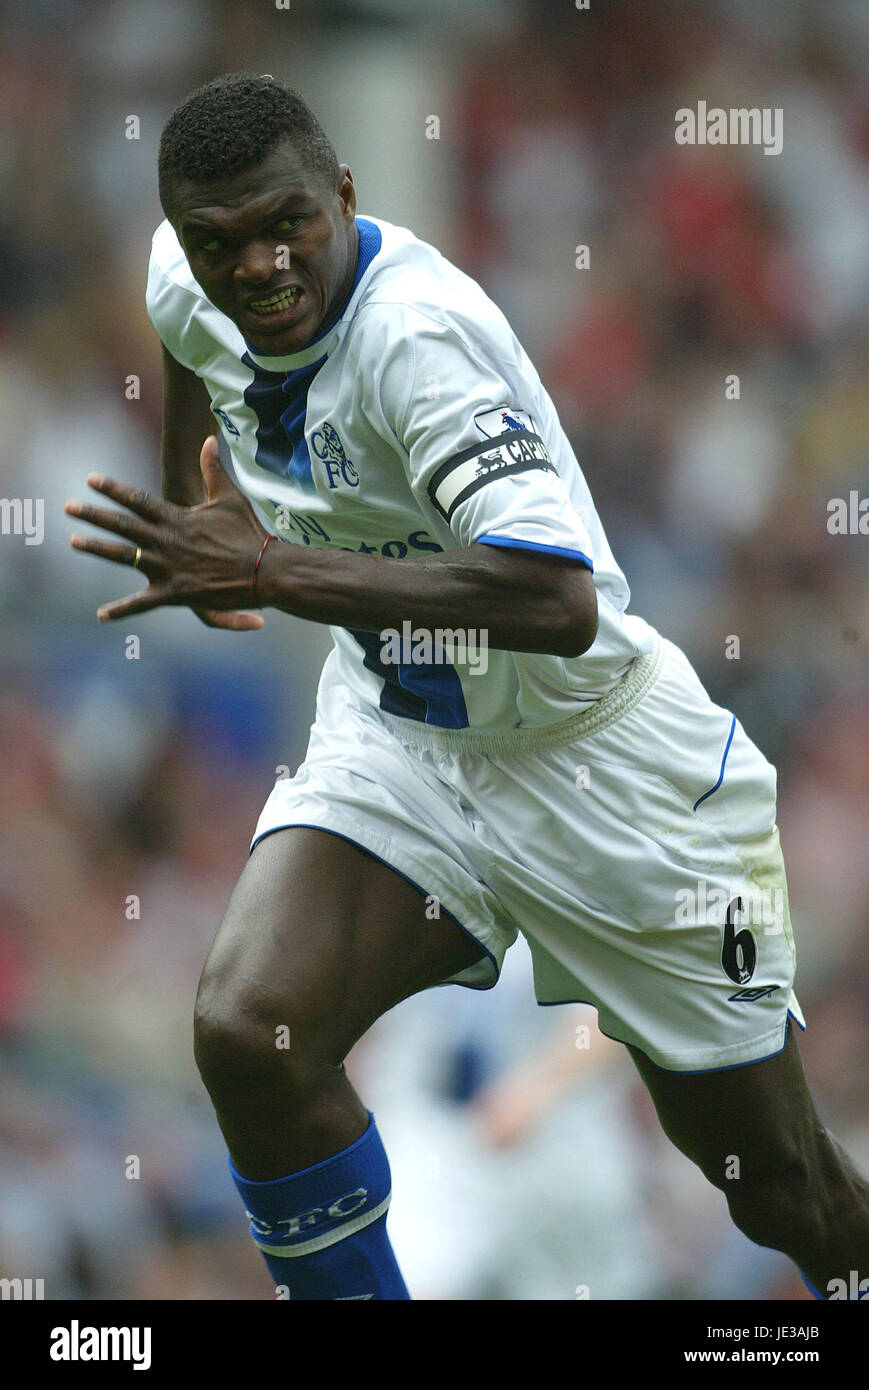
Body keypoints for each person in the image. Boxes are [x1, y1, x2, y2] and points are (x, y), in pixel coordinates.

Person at [65, 72, 868, 1301]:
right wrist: (197, 515)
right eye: (222, 242)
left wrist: (269, 565)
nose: (260, 266)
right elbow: (188, 337)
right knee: (248, 1029)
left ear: (343, 194)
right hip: (404, 744)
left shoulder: (416, 336)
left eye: (291, 225)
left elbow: (557, 602)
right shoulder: (189, 277)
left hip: (597, 764)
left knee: (777, 1189)